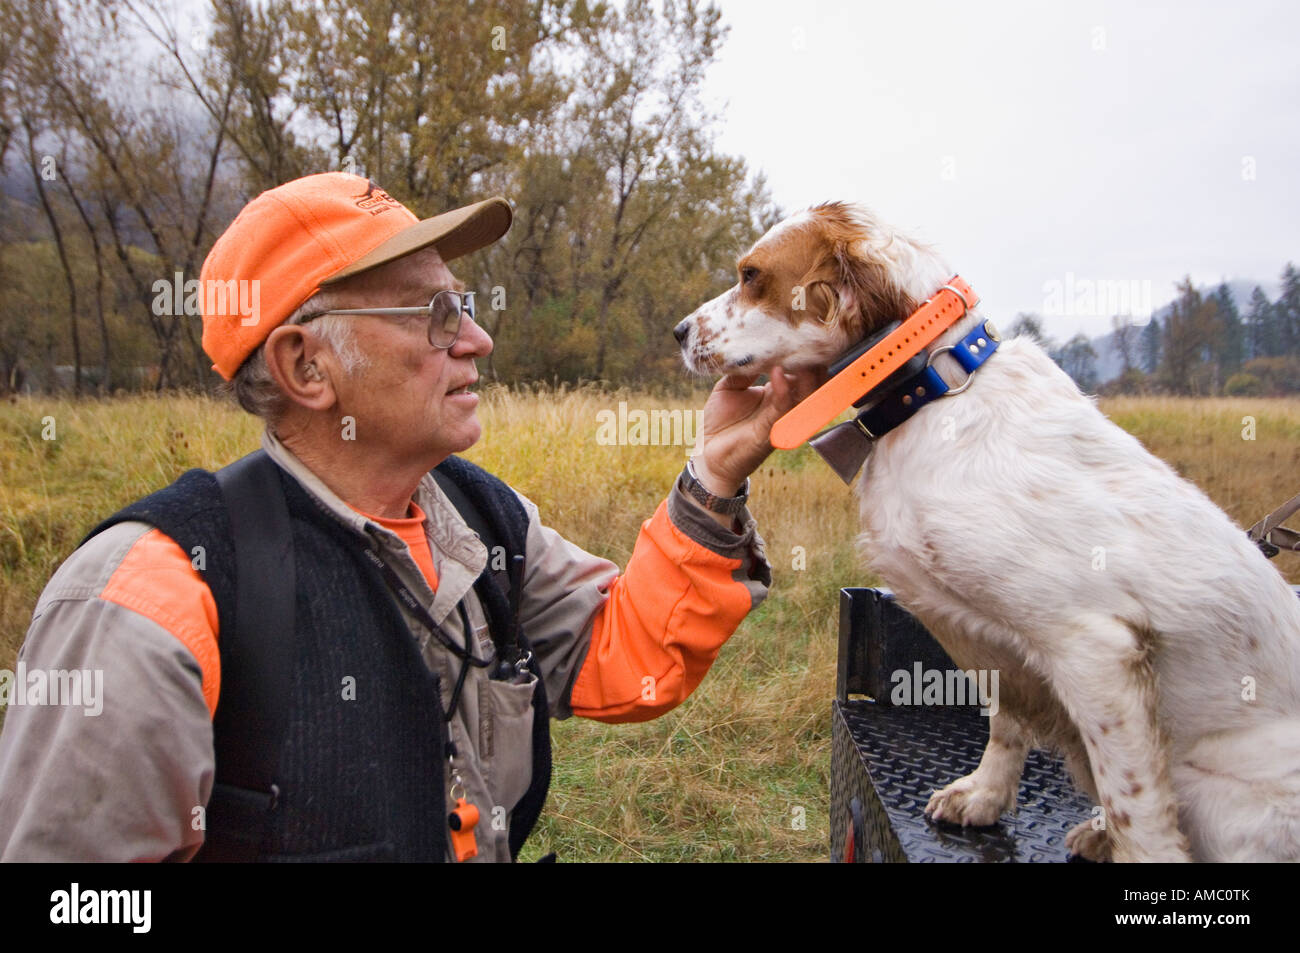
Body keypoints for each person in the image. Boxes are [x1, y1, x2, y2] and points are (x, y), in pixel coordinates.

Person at [0, 173, 815, 862]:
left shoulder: (483, 520)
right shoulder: (149, 600)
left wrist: (711, 475)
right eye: (436, 315)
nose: (480, 339)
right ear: (305, 364)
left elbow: (623, 657)